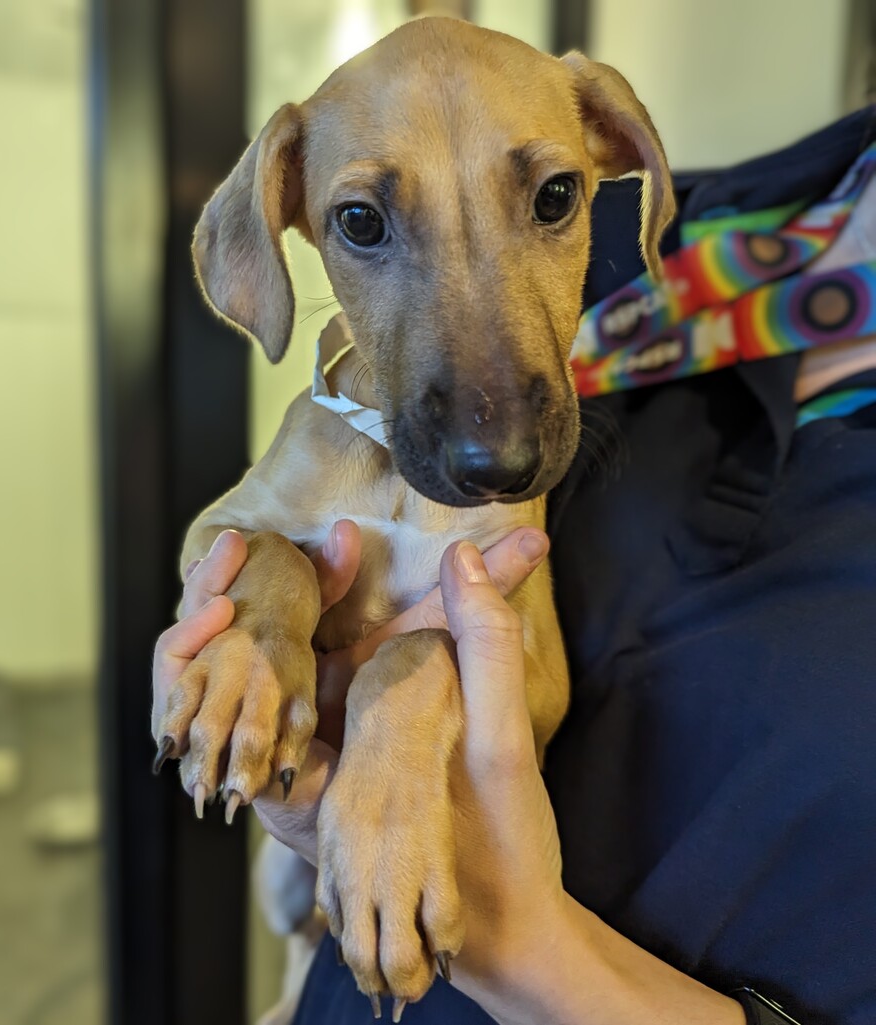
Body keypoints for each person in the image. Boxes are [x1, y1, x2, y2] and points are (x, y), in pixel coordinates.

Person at [153, 110, 876, 1024]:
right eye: (367, 223)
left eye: (550, 201)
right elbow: (240, 545)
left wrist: (527, 947)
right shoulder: (704, 222)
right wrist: (263, 610)